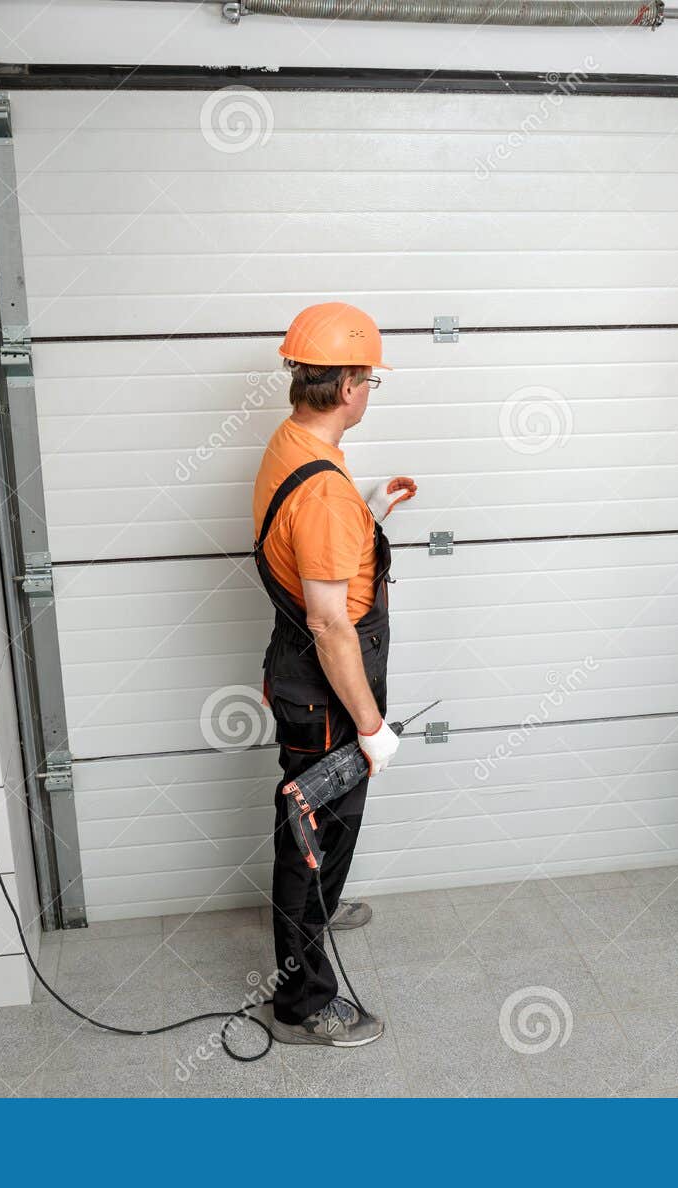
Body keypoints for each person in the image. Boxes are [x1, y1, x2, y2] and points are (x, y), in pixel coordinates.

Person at [252, 301, 417, 1047]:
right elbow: (328, 623)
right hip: (325, 692)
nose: (368, 392)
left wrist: (368, 511)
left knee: (319, 831)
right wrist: (373, 726)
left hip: (306, 674)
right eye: (369, 379)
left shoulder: (295, 445)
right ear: (349, 383)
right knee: (316, 832)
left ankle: (315, 907)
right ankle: (303, 998)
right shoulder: (322, 490)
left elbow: (317, 551)